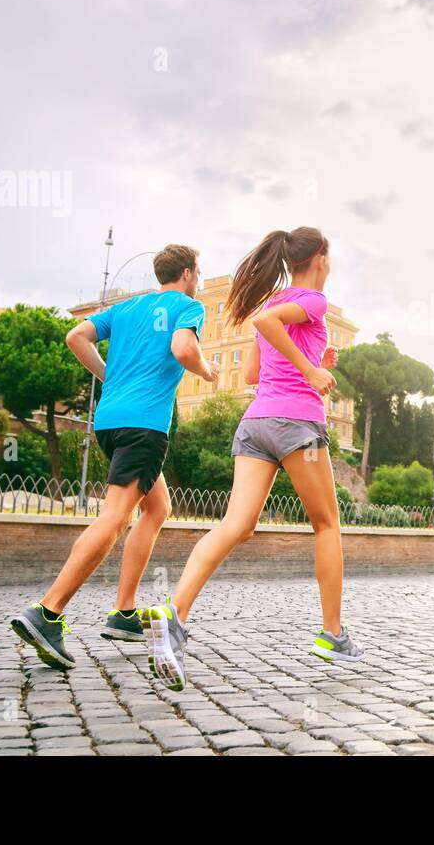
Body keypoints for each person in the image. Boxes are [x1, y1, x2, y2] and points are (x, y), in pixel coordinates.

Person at [141, 226, 362, 692]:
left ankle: (174, 614)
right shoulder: (311, 301)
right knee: (326, 525)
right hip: (297, 424)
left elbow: (254, 372)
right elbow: (266, 332)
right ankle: (332, 634)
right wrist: (311, 369)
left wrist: (315, 355)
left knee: (235, 525)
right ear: (320, 257)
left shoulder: (273, 303)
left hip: (256, 423)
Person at [10, 245, 217, 671]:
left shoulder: (127, 307)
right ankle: (47, 612)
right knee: (116, 516)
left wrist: (110, 376)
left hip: (109, 420)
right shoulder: (187, 306)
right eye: (199, 270)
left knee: (158, 507)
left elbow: (75, 337)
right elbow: (182, 349)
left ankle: (123, 612)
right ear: (187, 273)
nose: (199, 277)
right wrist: (207, 370)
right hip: (145, 426)